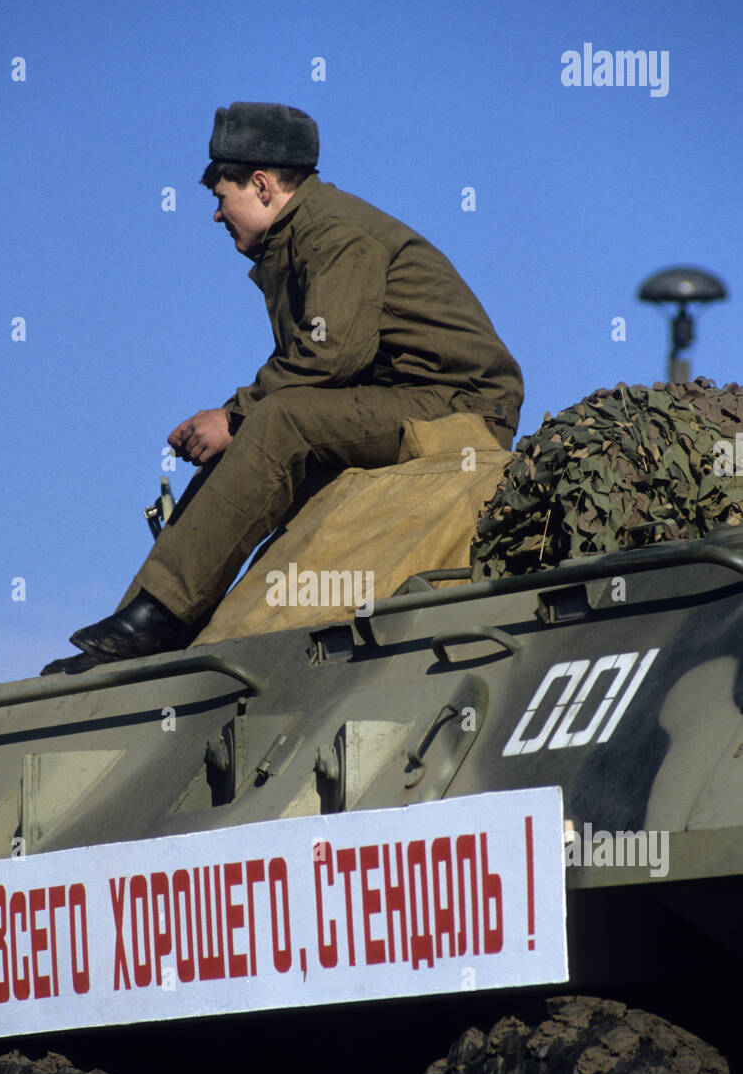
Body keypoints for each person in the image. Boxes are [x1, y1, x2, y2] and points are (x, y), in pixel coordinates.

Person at [42, 102, 523, 675]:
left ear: (262, 186)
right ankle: (150, 619)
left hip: (460, 409)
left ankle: (161, 616)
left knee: (276, 422)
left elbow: (331, 353)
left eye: (221, 196)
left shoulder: (335, 232)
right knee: (264, 430)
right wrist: (236, 420)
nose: (217, 215)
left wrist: (234, 416)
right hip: (406, 400)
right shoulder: (302, 236)